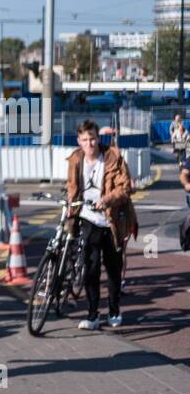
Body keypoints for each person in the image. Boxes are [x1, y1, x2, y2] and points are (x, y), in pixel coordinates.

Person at [67, 119, 134, 330]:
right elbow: (72, 187)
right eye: (85, 140)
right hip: (88, 219)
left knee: (113, 269)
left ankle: (114, 310)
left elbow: (126, 188)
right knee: (91, 268)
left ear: (98, 138)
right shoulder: (76, 159)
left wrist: (107, 200)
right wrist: (71, 208)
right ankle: (93, 314)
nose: (89, 144)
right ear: (79, 140)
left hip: (112, 220)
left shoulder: (113, 157)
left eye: (93, 139)